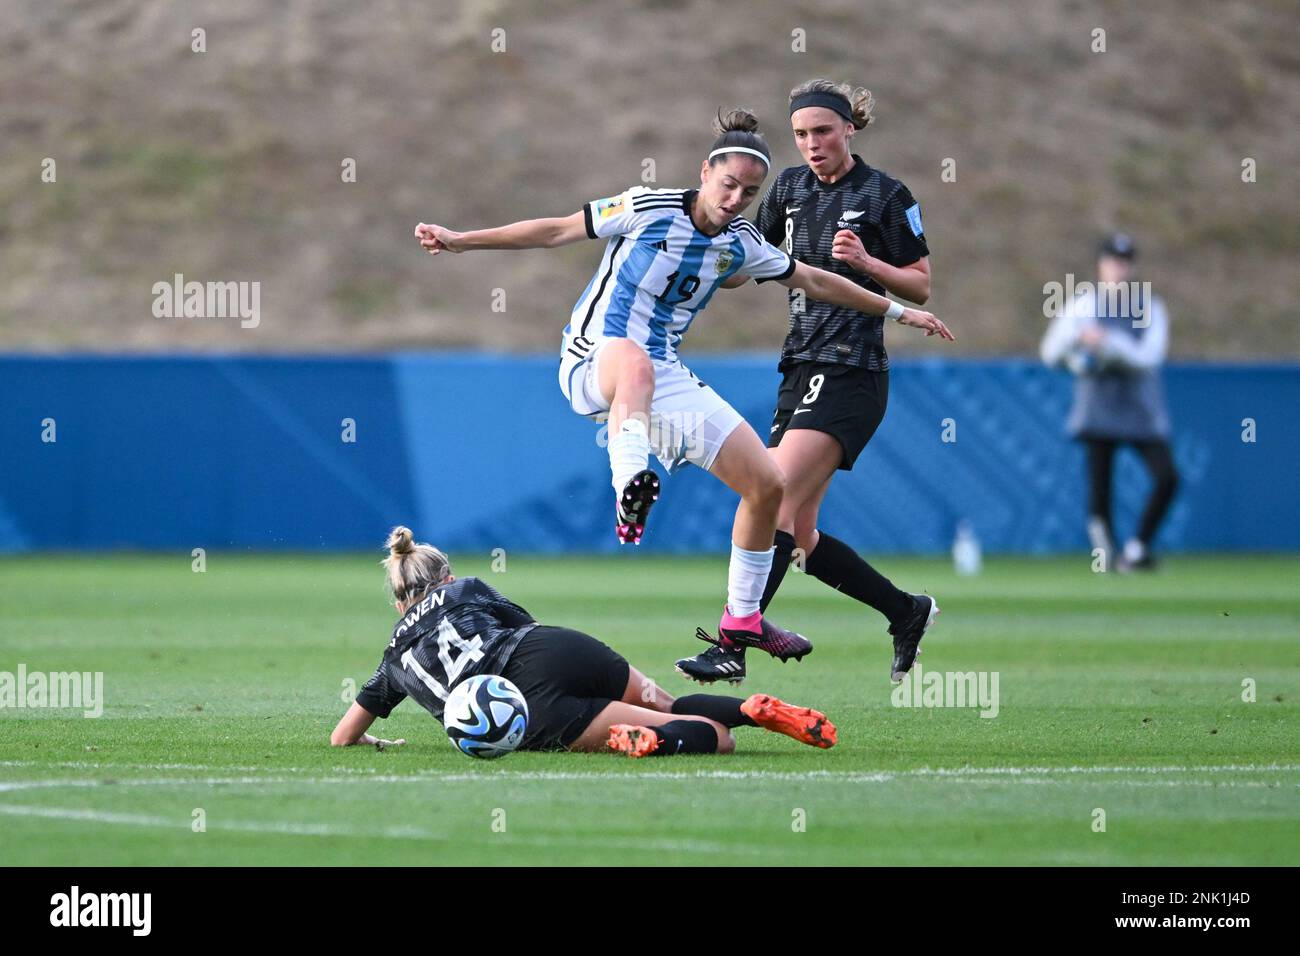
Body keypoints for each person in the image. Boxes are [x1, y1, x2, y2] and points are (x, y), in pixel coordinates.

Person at [413, 108, 950, 661]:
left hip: (662, 375)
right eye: (728, 184)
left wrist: (899, 313)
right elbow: (554, 230)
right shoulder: (647, 206)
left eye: (749, 191)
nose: (736, 198)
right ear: (704, 173)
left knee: (767, 483)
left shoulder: (741, 242)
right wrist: (461, 240)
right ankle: (631, 485)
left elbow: (813, 279)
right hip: (593, 358)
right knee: (637, 365)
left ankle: (742, 622)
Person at [676, 80, 951, 686]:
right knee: (799, 536)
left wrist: (868, 265)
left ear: (849, 128)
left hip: (852, 370)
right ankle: (905, 612)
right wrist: (712, 258)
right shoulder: (790, 190)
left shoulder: (885, 195)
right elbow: (749, 264)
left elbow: (920, 284)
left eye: (822, 131)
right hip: (798, 365)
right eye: (800, 134)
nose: (811, 144)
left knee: (767, 492)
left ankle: (732, 645)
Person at [328, 527, 838, 757]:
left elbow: (343, 736)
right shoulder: (466, 589)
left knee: (710, 739)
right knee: (665, 699)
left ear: (399, 601)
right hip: (552, 648)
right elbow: (522, 622)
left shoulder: (394, 660)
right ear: (444, 575)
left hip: (526, 707)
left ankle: (660, 738)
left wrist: (378, 740)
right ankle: (750, 709)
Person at [1041, 232, 1178, 571]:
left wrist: (1109, 344)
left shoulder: (1149, 306)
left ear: (1131, 266)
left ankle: (1136, 549)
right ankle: (1107, 556)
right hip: (1098, 410)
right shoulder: (1084, 304)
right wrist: (1079, 346)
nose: (1118, 268)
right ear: (1101, 264)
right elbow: (1051, 353)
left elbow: (1149, 356)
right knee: (1100, 487)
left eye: (1124, 262)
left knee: (1168, 477)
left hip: (1140, 411)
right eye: (1112, 261)